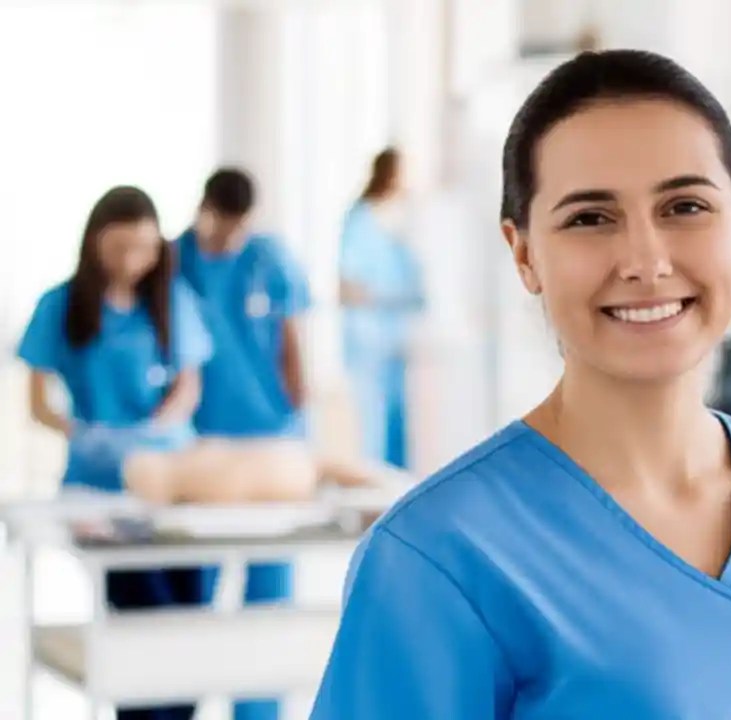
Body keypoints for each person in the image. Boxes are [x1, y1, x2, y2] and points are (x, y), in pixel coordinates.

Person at [310, 49, 731, 719]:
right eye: (590, 218)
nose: (646, 261)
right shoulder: (439, 557)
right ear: (524, 254)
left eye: (685, 206)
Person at [17, 186, 213, 720]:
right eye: (120, 247)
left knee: (190, 625)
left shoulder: (173, 302)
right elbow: (37, 401)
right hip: (99, 490)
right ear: (95, 243)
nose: (132, 261)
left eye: (145, 248)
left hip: (170, 485)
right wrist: (82, 431)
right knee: (139, 626)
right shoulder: (60, 305)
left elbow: (188, 388)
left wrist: (153, 432)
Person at [173, 168, 312, 720]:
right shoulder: (175, 260)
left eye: (239, 228)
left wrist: (299, 406)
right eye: (222, 225)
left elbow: (293, 336)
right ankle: (183, 701)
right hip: (201, 444)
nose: (229, 237)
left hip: (270, 438)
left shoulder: (270, 258)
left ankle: (258, 714)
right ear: (203, 209)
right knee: (195, 587)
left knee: (268, 596)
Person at [339, 147, 426, 468]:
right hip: (368, 338)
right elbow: (348, 288)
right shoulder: (360, 220)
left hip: (394, 338)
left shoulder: (398, 222)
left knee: (396, 422)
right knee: (372, 424)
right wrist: (390, 297)